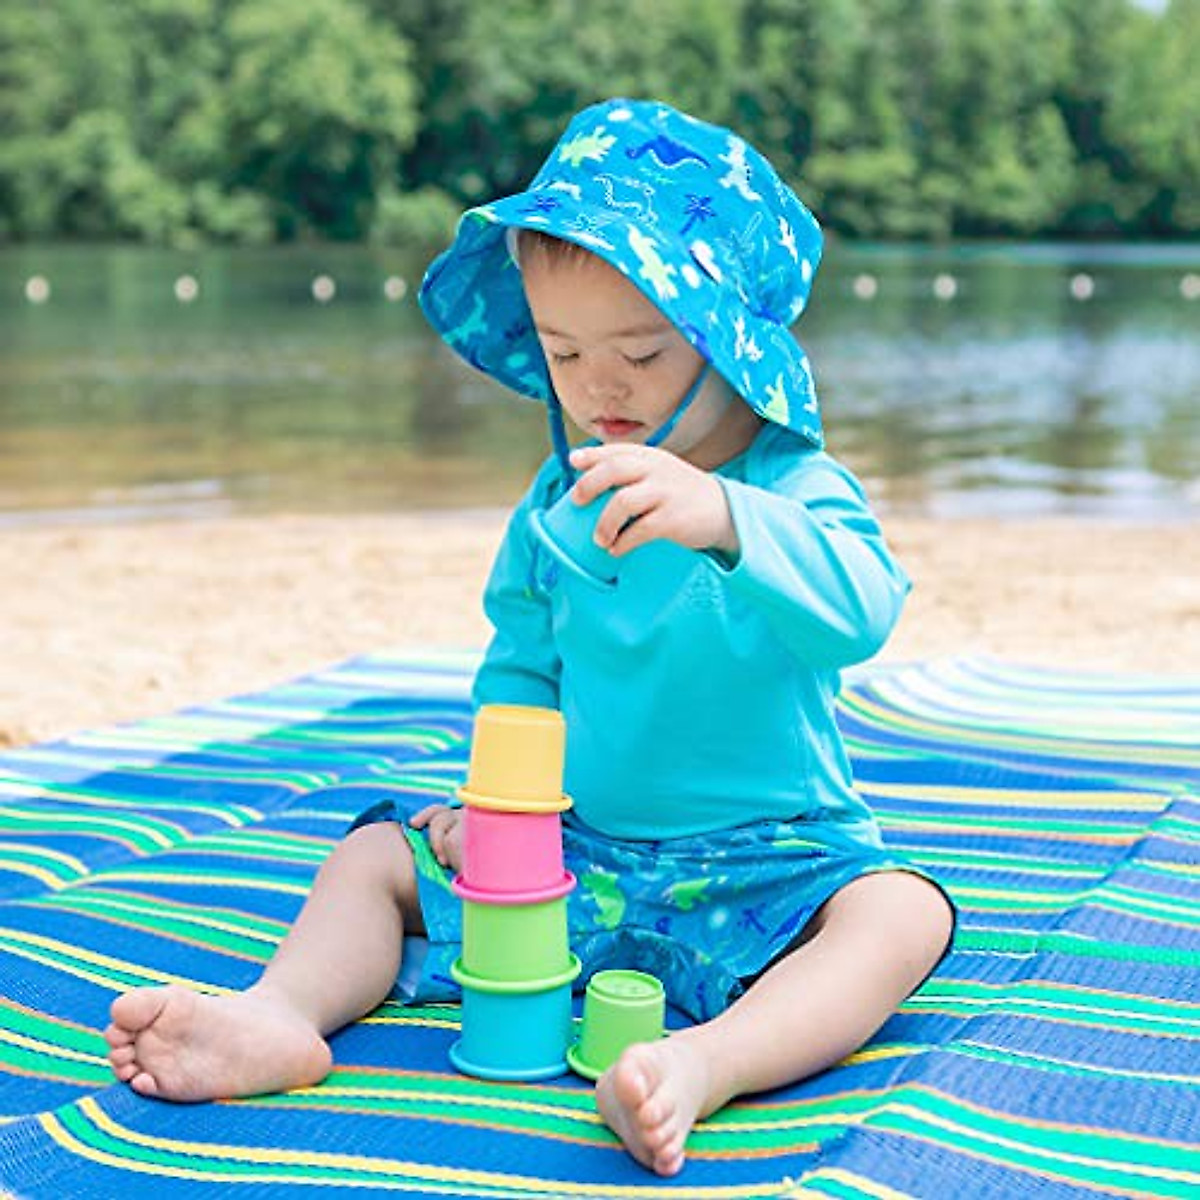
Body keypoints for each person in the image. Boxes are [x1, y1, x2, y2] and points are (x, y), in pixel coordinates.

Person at [105, 98, 955, 1178]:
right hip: (579, 859)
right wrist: (497, 815)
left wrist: (726, 520)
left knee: (899, 914)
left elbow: (862, 613)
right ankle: (281, 1013)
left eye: (642, 353)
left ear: (731, 340)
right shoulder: (553, 509)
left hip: (766, 864)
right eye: (563, 352)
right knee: (375, 856)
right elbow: (522, 674)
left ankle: (710, 1062)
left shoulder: (792, 491)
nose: (600, 387)